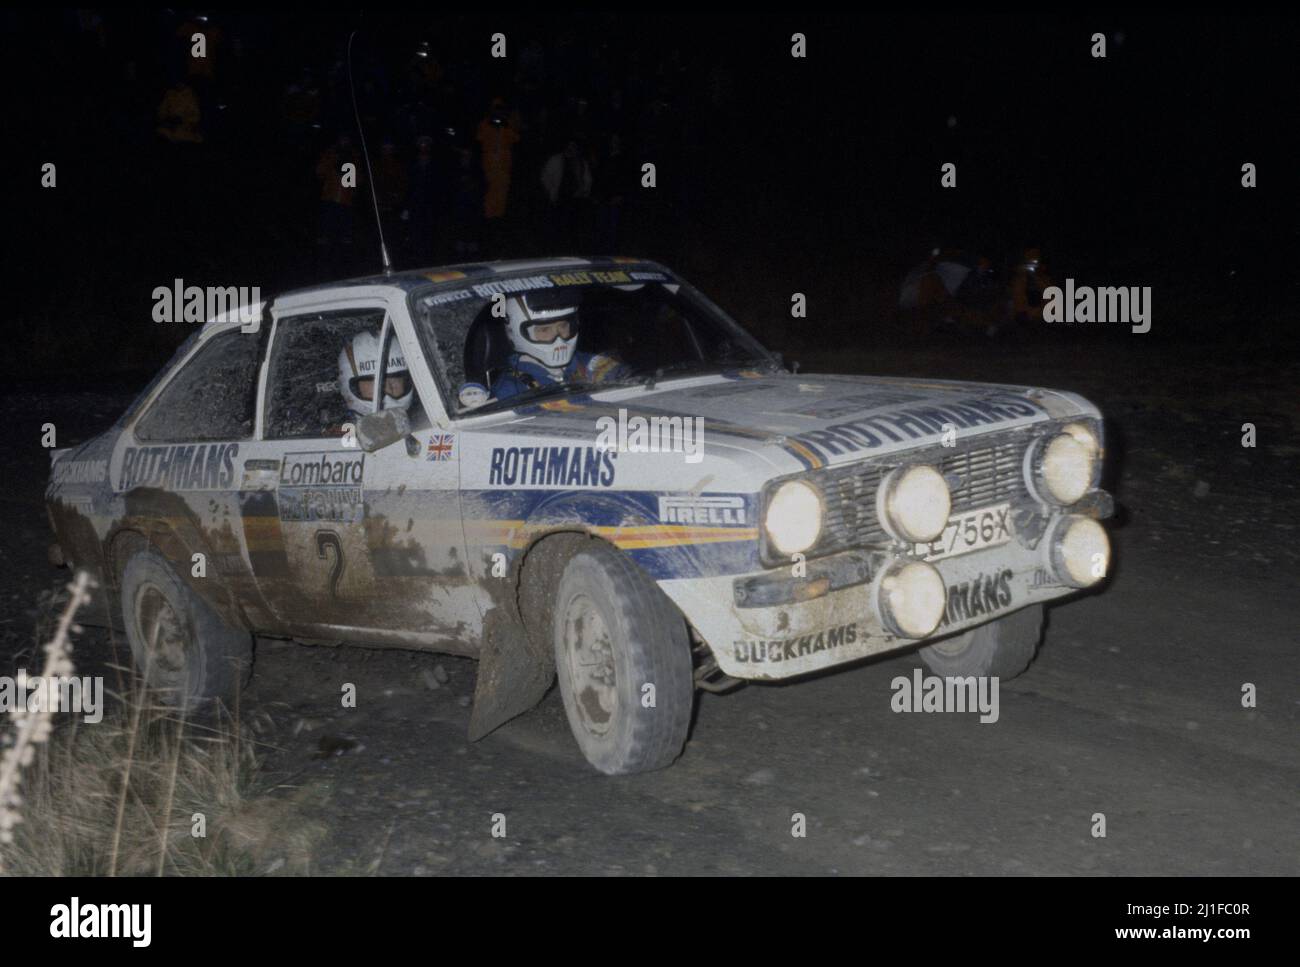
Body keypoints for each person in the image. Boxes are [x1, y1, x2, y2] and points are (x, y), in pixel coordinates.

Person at [490, 294, 628, 401]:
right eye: (545, 330)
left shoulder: (586, 362)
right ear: (516, 333)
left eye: (563, 326)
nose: (559, 337)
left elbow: (629, 380)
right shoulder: (511, 387)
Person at [338, 331, 414, 420]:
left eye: (394, 383)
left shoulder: (428, 418)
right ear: (347, 388)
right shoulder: (334, 432)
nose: (387, 400)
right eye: (375, 386)